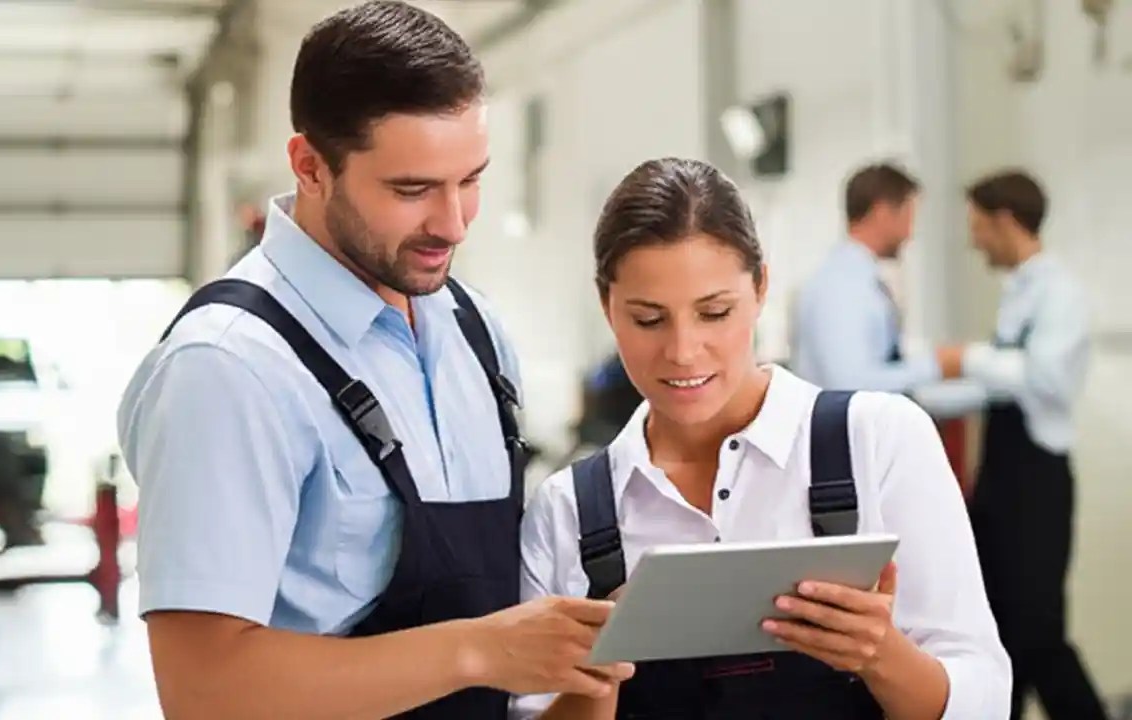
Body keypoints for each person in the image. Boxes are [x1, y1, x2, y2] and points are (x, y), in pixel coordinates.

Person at [115, 3, 630, 718]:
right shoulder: (228, 369)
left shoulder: (474, 330)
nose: (452, 224)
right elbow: (203, 690)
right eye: (411, 190)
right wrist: (478, 651)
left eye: (471, 180)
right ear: (311, 167)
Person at [514, 158, 1010, 719]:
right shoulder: (566, 512)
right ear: (608, 307)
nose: (683, 351)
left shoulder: (880, 441)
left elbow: (986, 700)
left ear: (761, 289)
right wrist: (599, 672)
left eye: (714, 312)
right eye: (649, 319)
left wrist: (882, 654)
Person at [917, 170, 1108, 720]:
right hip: (1000, 479)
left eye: (978, 226)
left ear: (1005, 222)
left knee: (1039, 628)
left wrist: (966, 357)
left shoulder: (1060, 293)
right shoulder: (1018, 293)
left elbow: (1045, 378)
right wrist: (918, 392)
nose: (974, 239)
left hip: (1038, 481)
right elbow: (994, 387)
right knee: (999, 623)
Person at [792, 163, 960, 392]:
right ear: (882, 213)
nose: (910, 234)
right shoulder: (841, 288)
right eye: (908, 216)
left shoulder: (856, 281)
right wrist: (936, 366)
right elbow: (849, 384)